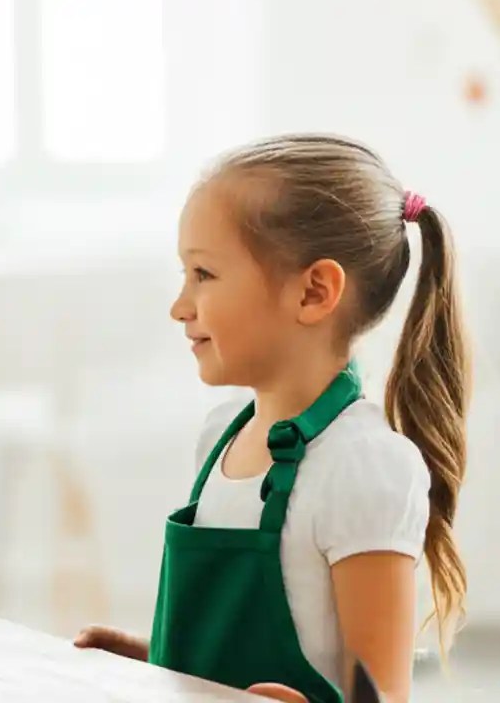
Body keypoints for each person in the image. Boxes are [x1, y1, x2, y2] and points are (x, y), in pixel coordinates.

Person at [75, 134, 470, 703]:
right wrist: (155, 660)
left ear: (313, 292)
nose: (180, 306)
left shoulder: (363, 467)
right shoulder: (222, 435)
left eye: (203, 275)